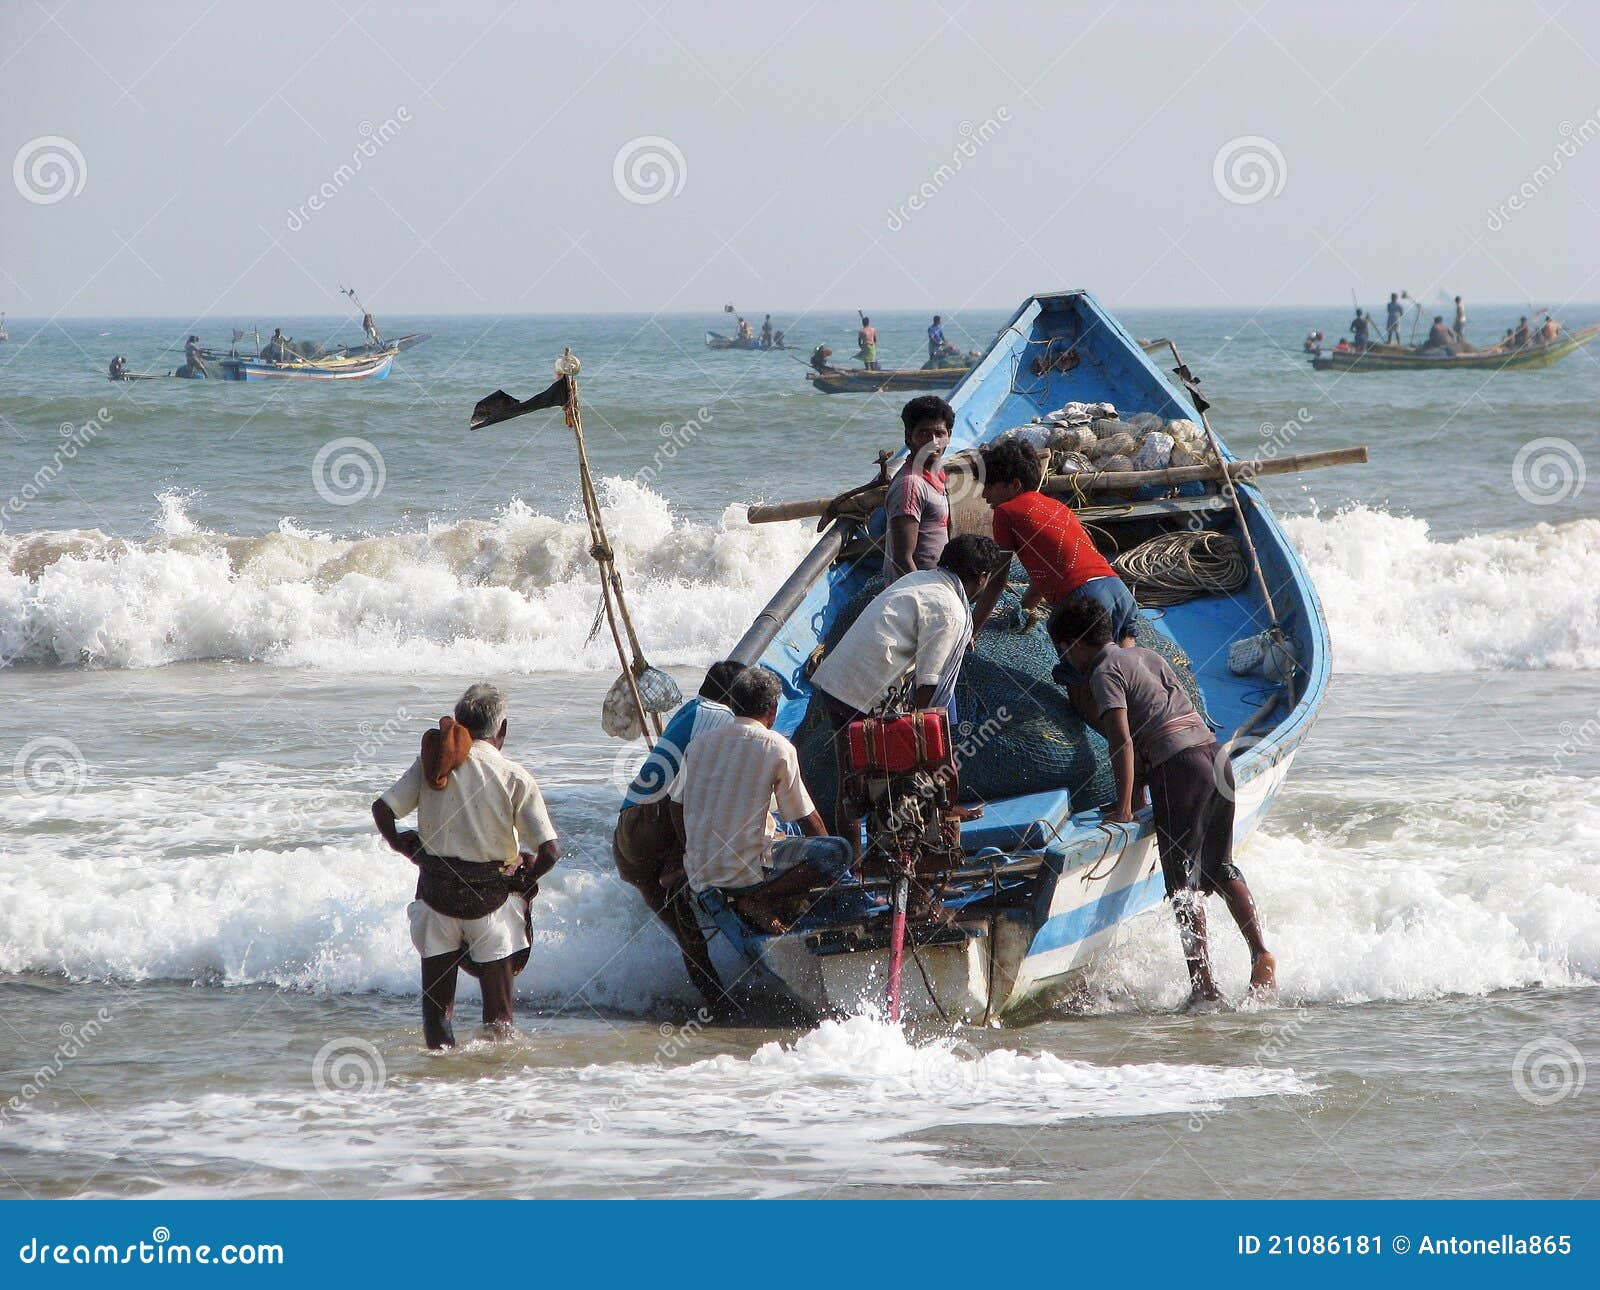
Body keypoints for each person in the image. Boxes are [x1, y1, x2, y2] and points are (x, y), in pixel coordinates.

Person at [1048, 598, 1276, 1008]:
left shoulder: (1103, 673)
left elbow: (1122, 739)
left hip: (1180, 767)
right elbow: (1157, 712)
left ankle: (1203, 986)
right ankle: (1261, 953)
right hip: (1215, 757)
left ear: (1069, 645)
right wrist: (1136, 794)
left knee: (1181, 883)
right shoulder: (1146, 655)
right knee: (1220, 866)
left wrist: (1123, 809)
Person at [372, 683, 561, 1049]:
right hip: (490, 903)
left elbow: (382, 809)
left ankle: (441, 1091)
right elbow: (550, 851)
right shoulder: (513, 776)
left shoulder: (433, 763)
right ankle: (491, 1096)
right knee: (499, 1022)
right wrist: (525, 876)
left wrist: (403, 846)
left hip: (436, 897)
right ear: (502, 729)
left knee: (437, 1019)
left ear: (459, 723)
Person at [809, 534, 1005, 850]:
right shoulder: (950, 609)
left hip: (837, 682)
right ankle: (910, 864)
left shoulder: (918, 579)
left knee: (852, 784)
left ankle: (854, 872)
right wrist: (918, 744)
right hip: (867, 691)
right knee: (897, 785)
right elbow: (929, 684)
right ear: (982, 578)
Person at [672, 667, 855, 934]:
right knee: (837, 850)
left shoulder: (698, 744)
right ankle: (760, 898)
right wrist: (838, 873)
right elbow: (806, 817)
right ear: (773, 709)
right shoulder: (777, 746)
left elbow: (676, 805)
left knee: (783, 830)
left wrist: (692, 851)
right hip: (747, 874)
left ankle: (758, 896)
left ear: (733, 705)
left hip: (702, 871)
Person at [611, 661, 744, 1008]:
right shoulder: (720, 715)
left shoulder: (692, 709)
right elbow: (682, 795)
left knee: (689, 936)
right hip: (652, 824)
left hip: (627, 836)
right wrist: (693, 852)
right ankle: (683, 867)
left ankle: (717, 1004)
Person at [970, 438, 1140, 705]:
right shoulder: (1058, 507)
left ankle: (1113, 742)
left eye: (989, 486)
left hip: (1083, 602)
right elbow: (1053, 569)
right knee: (1130, 679)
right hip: (1118, 591)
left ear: (1014, 485)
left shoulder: (1005, 512)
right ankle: (1147, 731)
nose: (985, 496)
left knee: (1082, 692)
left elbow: (997, 581)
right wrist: (1024, 608)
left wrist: (973, 630)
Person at [883, 394, 955, 581]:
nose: (933, 442)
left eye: (939, 434)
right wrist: (925, 596)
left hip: (936, 583)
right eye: (924, 433)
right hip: (917, 596)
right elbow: (902, 560)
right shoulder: (911, 486)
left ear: (949, 436)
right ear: (909, 437)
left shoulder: (937, 475)